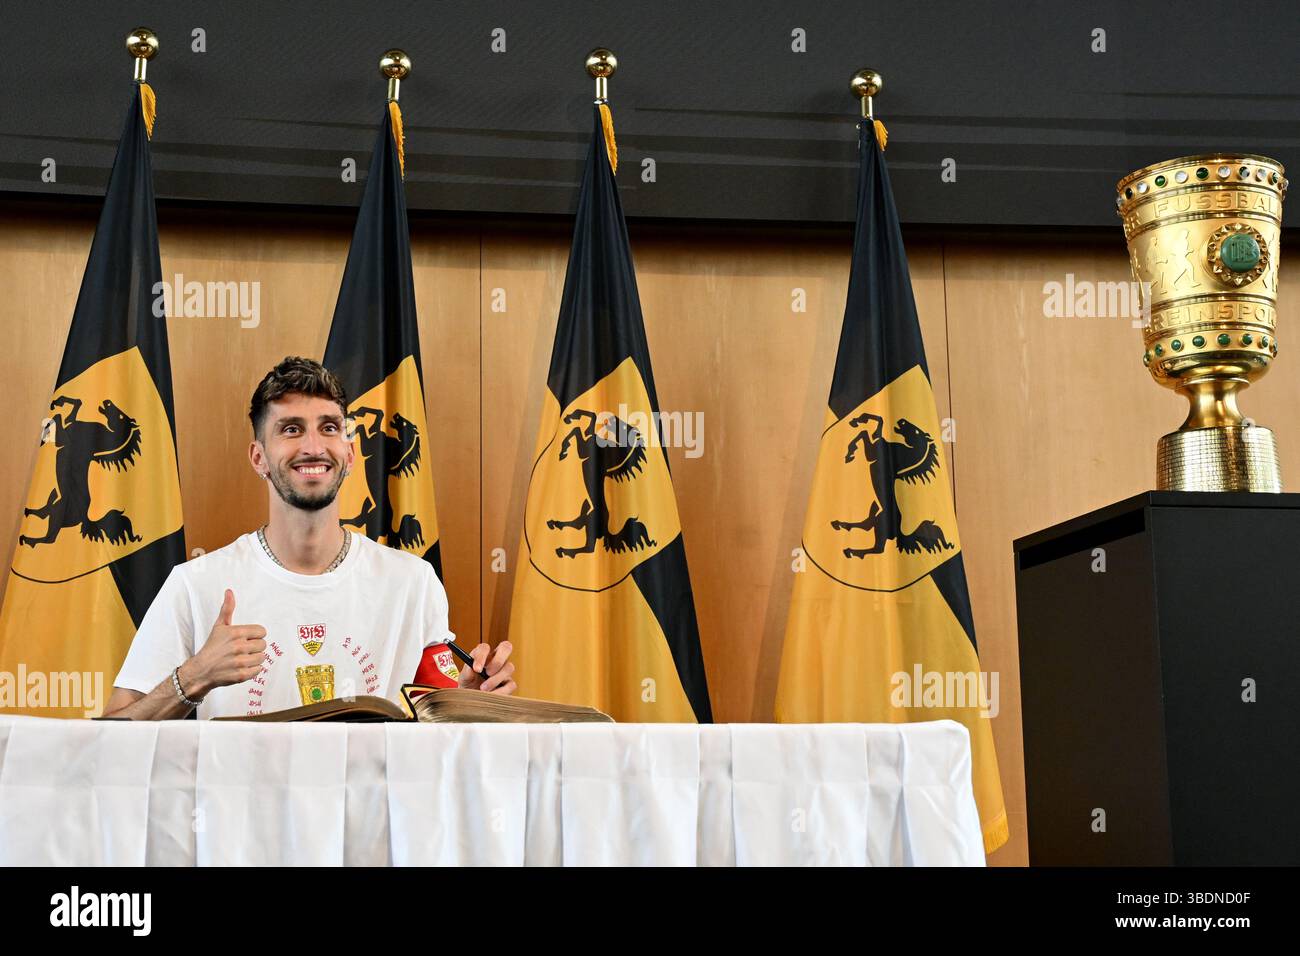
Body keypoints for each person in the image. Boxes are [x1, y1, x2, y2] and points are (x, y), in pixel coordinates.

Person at [103, 357, 514, 719]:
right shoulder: (196, 584)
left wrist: (468, 705)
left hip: (366, 811)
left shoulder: (414, 582)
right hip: (242, 810)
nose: (314, 447)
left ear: (349, 454)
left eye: (329, 428)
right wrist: (193, 678)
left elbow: (435, 736)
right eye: (291, 429)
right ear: (258, 457)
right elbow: (110, 741)